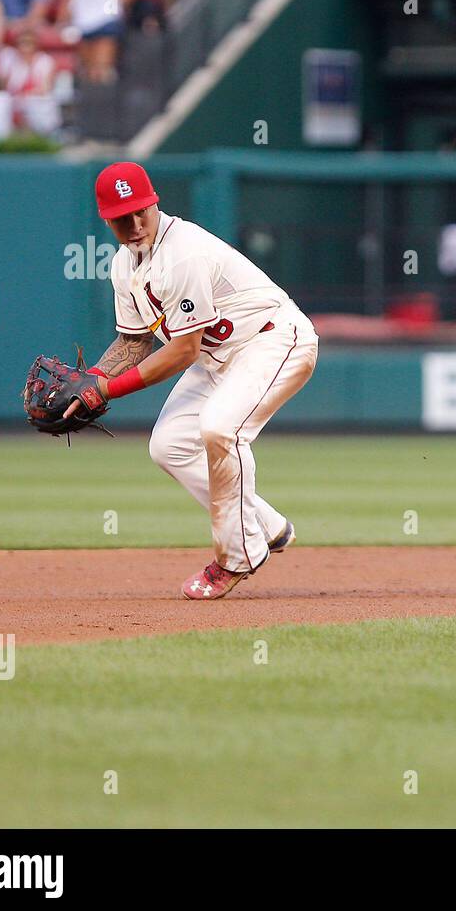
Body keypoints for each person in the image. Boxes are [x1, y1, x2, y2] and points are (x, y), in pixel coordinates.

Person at [64, 162, 319, 600]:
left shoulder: (183, 253)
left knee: (221, 428)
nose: (135, 223)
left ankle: (237, 556)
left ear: (155, 202)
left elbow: (181, 351)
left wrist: (107, 390)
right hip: (218, 358)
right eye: (122, 216)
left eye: (141, 210)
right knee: (169, 446)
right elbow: (134, 339)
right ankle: (265, 525)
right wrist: (90, 380)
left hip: (274, 340)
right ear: (106, 218)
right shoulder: (125, 266)